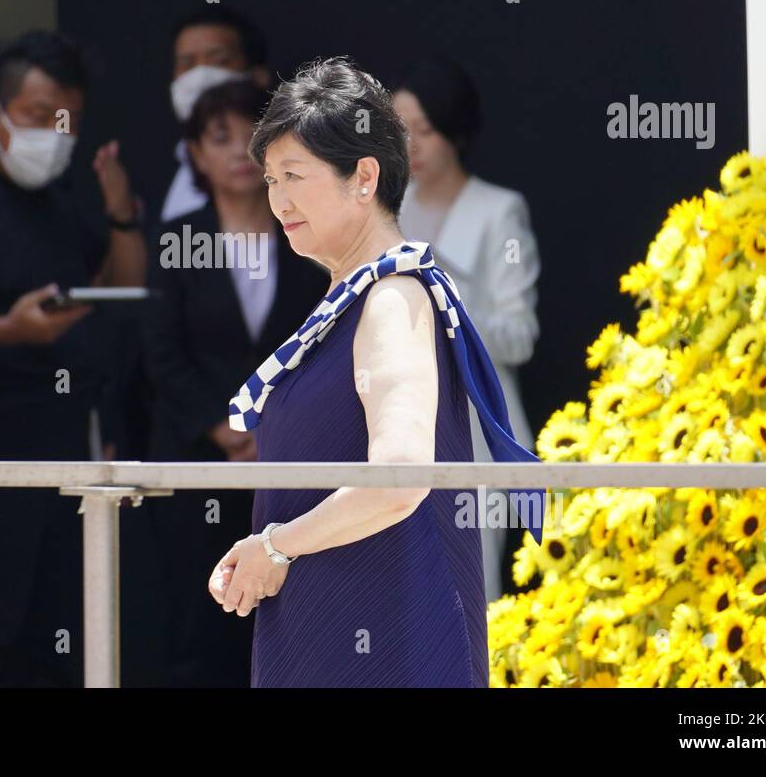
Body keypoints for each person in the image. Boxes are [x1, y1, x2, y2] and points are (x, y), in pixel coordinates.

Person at [209, 58, 544, 687]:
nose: (277, 198)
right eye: (270, 177)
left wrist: (275, 546)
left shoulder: (391, 299)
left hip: (385, 629)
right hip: (333, 617)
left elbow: (399, 479)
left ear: (363, 177)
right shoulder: (362, 295)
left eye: (294, 175)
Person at [0, 30, 145, 686]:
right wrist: (12, 331)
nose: (54, 134)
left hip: (68, 440)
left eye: (66, 121)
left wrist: (120, 210)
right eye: (40, 118)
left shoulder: (62, 200)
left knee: (66, 625)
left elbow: (116, 289)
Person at [142, 80, 328, 686]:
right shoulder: (177, 236)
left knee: (288, 616)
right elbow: (160, 353)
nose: (234, 151)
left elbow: (323, 341)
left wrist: (275, 423)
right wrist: (221, 425)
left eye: (247, 134)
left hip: (290, 463)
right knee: (196, 620)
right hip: (197, 463)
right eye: (216, 137)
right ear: (194, 153)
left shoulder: (309, 235)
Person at [392, 57, 540, 603]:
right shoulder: (386, 208)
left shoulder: (499, 211)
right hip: (395, 428)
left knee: (474, 596)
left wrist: (451, 295)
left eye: (425, 131)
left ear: (455, 130)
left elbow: (519, 336)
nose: (411, 146)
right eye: (399, 130)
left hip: (476, 431)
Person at [156, 5, 272, 224]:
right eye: (187, 64)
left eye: (219, 61)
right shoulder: (161, 170)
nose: (200, 75)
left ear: (258, 76)